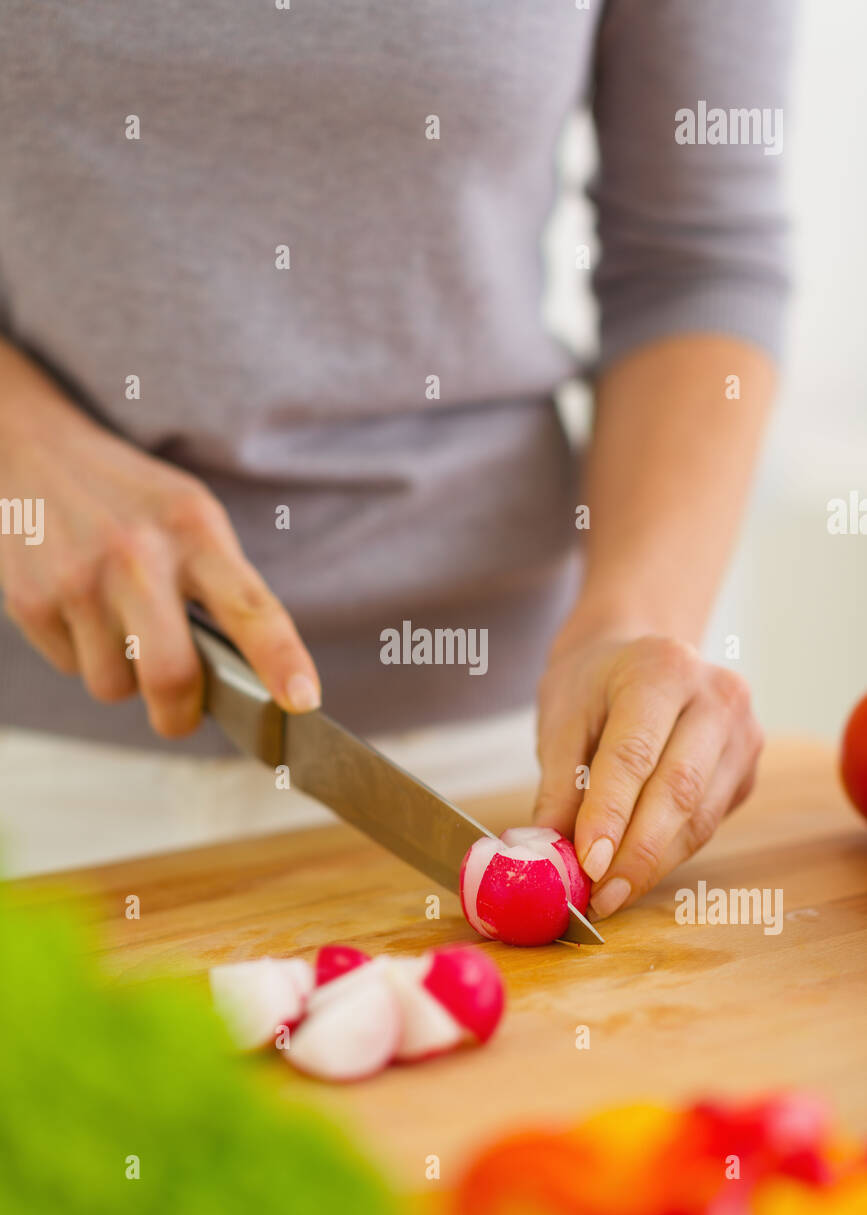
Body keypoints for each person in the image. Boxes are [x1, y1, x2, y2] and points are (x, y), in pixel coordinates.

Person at [0, 2, 794, 915]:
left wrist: (630, 620)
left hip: (515, 759)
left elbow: (697, 258)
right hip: (31, 757)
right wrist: (18, 444)